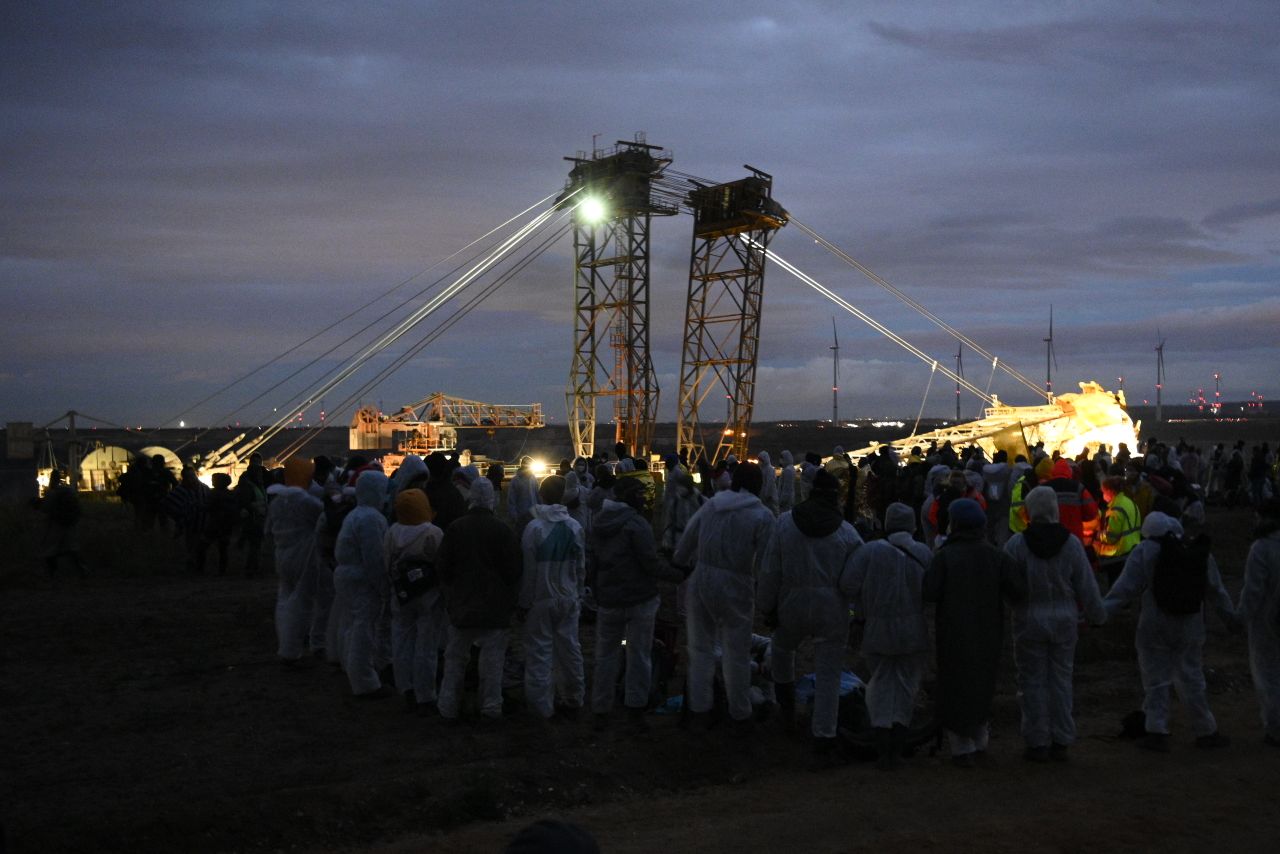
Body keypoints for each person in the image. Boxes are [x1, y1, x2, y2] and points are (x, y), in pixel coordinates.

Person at [1103, 511, 1237, 751]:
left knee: (1155, 679)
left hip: (1155, 623)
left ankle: (1157, 730)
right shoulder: (1197, 552)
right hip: (1191, 622)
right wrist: (1231, 618)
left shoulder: (1143, 552)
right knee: (1192, 676)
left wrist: (1099, 615)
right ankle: (1205, 729)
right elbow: (1217, 590)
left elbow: (1124, 590)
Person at [1004, 486, 1107, 761]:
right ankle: (1061, 739)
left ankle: (1037, 741)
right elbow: (1086, 584)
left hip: (1028, 620)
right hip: (1064, 621)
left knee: (1031, 682)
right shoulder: (1072, 544)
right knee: (1061, 681)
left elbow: (1006, 585)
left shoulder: (1016, 545)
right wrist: (1098, 615)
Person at [672, 462, 775, 732]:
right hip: (736, 584)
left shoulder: (711, 505)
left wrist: (681, 564)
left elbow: (684, 546)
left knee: (700, 651)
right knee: (737, 653)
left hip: (701, 580)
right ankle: (740, 713)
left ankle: (699, 712)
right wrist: (767, 601)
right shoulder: (762, 515)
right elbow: (767, 566)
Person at [923, 498, 1027, 766]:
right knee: (983, 681)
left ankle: (961, 746)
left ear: (954, 524)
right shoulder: (996, 556)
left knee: (955, 683)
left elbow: (929, 592)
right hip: (989, 629)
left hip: (953, 630)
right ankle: (980, 738)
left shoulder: (945, 556)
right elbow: (1018, 591)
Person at [840, 501, 930, 769]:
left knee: (879, 683)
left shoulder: (869, 552)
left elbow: (848, 585)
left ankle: (880, 740)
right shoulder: (924, 553)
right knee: (905, 684)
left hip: (877, 629)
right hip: (914, 630)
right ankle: (899, 738)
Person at [590, 477, 683, 731]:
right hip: (639, 600)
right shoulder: (636, 524)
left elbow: (594, 560)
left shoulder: (599, 522)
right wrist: (679, 574)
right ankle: (635, 708)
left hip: (609, 598)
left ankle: (600, 707)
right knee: (638, 654)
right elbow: (649, 564)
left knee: (605, 655)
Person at [437, 478, 522, 722]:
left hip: (462, 606)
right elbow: (513, 570)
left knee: (454, 660)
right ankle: (491, 707)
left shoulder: (455, 528)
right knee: (492, 663)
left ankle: (448, 706)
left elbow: (443, 567)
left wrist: (451, 595)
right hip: (494, 608)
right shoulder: (502, 530)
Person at [520, 475, 587, 721]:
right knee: (570, 649)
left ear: (542, 494)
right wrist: (579, 593)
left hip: (540, 598)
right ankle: (573, 697)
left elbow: (528, 569)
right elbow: (580, 567)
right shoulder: (574, 527)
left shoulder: (534, 528)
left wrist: (524, 601)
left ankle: (541, 707)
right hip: (569, 597)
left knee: (540, 653)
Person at [333, 470, 393, 698]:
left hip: (348, 577)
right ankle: (365, 681)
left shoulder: (356, 514)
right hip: (361, 579)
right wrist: (382, 585)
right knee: (364, 630)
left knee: (350, 625)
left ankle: (350, 668)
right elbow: (374, 557)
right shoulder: (371, 518)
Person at [385, 487, 445, 713]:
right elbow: (441, 562)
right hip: (428, 594)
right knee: (426, 645)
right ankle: (426, 694)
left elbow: (386, 561)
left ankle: (406, 687)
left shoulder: (392, 532)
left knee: (401, 641)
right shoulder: (433, 532)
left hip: (401, 593)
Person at [266, 458, 324, 663]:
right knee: (301, 603)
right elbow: (322, 519)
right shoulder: (306, 501)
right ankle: (291, 650)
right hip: (304, 555)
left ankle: (285, 644)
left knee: (284, 600)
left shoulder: (277, 501)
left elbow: (268, 529)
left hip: (281, 554)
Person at [1238, 498, 1280, 746]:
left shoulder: (1262, 548)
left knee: (1268, 674)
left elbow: (1252, 590)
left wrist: (1241, 617)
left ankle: (1274, 727)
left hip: (1266, 620)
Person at [1095, 475, 1142, 587]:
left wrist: (1098, 535)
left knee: (1116, 585)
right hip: (1133, 547)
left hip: (1118, 554)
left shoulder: (1116, 509)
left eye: (1103, 492)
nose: (1103, 495)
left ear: (1110, 491)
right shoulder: (1129, 502)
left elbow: (1111, 537)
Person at [41, 469, 85, 576]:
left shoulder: (51, 493)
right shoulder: (69, 490)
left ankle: (52, 572)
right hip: (70, 523)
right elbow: (78, 507)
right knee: (71, 548)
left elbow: (46, 509)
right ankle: (81, 570)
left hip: (56, 524)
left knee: (50, 549)